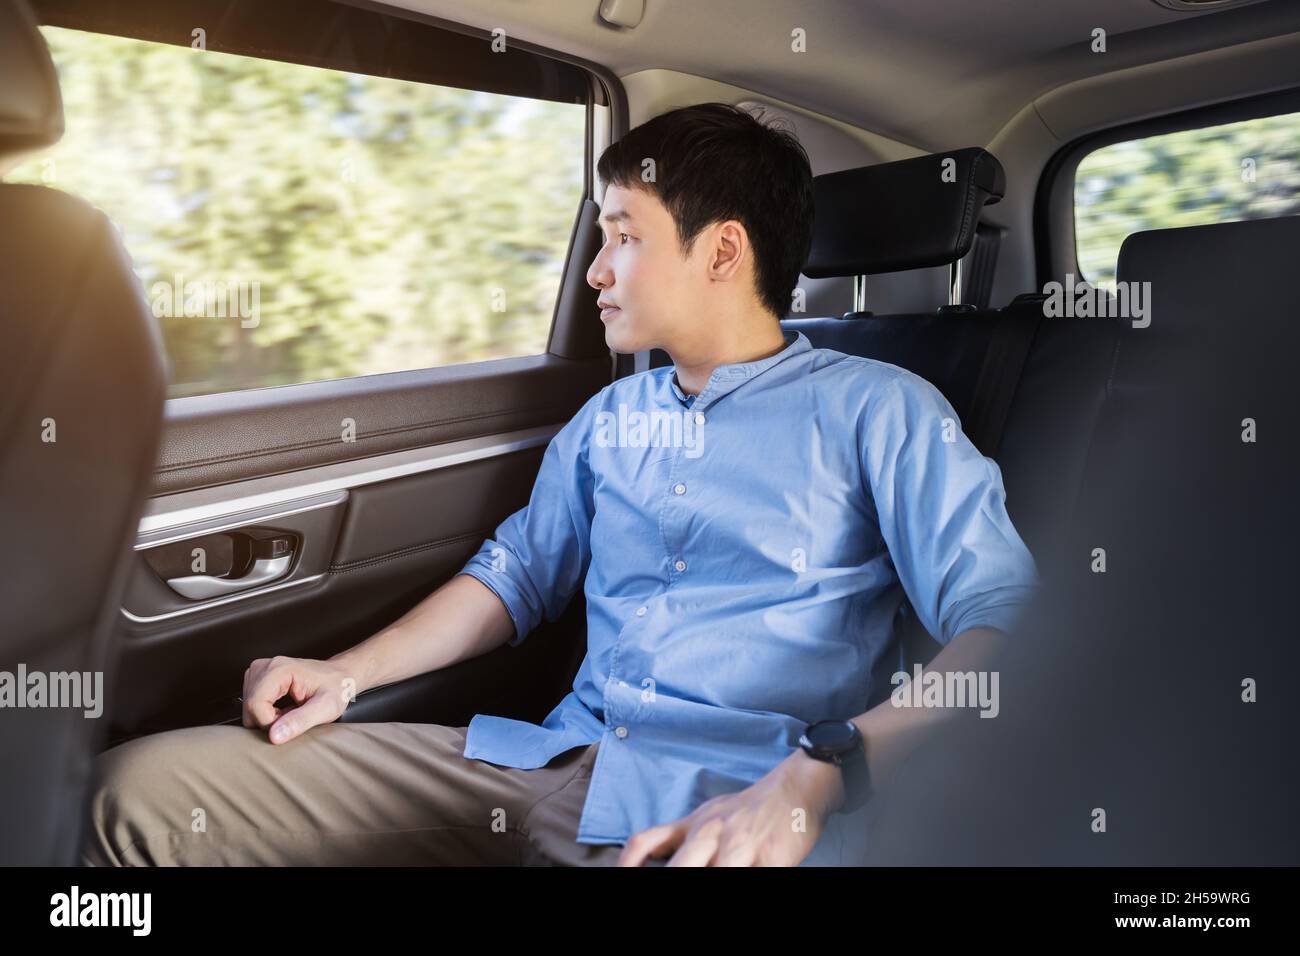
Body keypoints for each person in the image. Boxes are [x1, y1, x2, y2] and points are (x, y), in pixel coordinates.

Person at [83, 103, 1038, 868]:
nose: (594, 270)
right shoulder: (608, 421)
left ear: (722, 251)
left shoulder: (886, 411)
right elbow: (513, 580)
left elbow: (1006, 625)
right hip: (538, 763)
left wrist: (820, 776)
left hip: (724, 815)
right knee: (143, 797)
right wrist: (347, 673)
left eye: (623, 236)